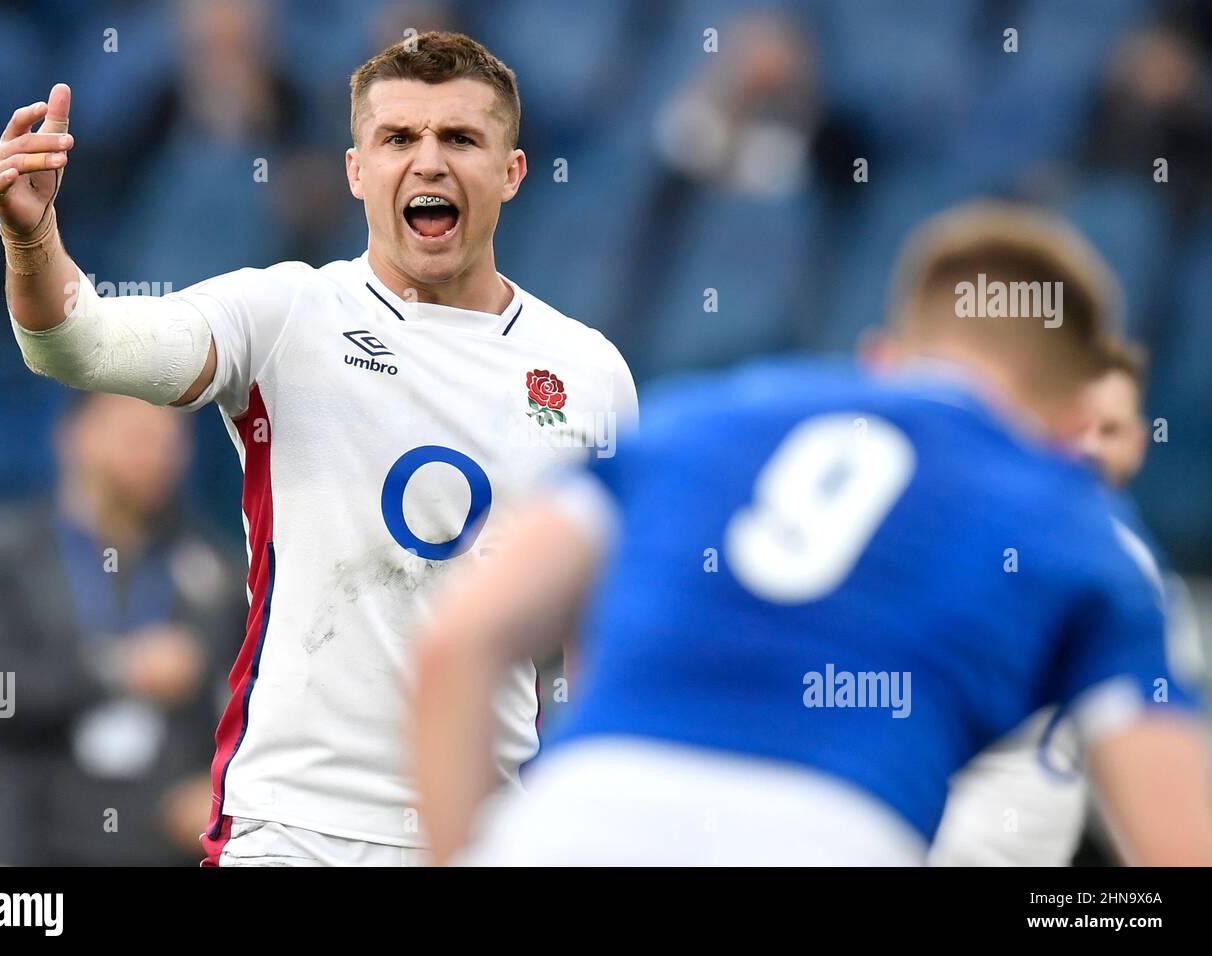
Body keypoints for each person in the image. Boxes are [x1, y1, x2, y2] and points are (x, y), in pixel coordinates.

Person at [0, 31, 637, 866]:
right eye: (399, 139)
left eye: (461, 139)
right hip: (291, 833)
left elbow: (602, 637)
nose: (428, 163)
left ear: (510, 173)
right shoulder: (287, 314)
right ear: (356, 171)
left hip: (486, 836)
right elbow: (81, 346)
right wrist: (32, 240)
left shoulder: (588, 372)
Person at [411, 202, 1210, 866]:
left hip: (568, 824)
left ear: (882, 358)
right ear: (1073, 422)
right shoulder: (1082, 530)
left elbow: (461, 641)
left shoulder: (698, 419)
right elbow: (1180, 843)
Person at [929, 341, 1205, 866]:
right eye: (1076, 426)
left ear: (1140, 444)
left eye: (1110, 430)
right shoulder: (943, 554)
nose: (1089, 449)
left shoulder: (1146, 594)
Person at [0, 394, 242, 866]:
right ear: (74, 437)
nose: (157, 455)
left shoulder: (212, 563)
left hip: (157, 844)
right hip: (24, 842)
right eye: (136, 436)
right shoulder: (0, 553)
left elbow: (244, 705)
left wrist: (221, 786)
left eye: (170, 441)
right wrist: (113, 670)